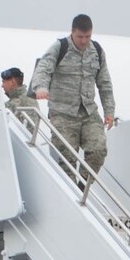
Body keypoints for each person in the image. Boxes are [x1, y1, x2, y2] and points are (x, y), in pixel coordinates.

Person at [30, 14, 116, 181]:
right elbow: (43, 69)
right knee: (67, 159)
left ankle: (82, 186)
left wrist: (109, 111)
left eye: (87, 36)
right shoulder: (59, 47)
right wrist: (41, 88)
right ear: (72, 32)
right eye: (80, 37)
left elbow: (104, 83)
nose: (84, 41)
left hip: (88, 112)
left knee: (98, 151)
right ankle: (72, 189)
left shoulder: (96, 51)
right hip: (63, 113)